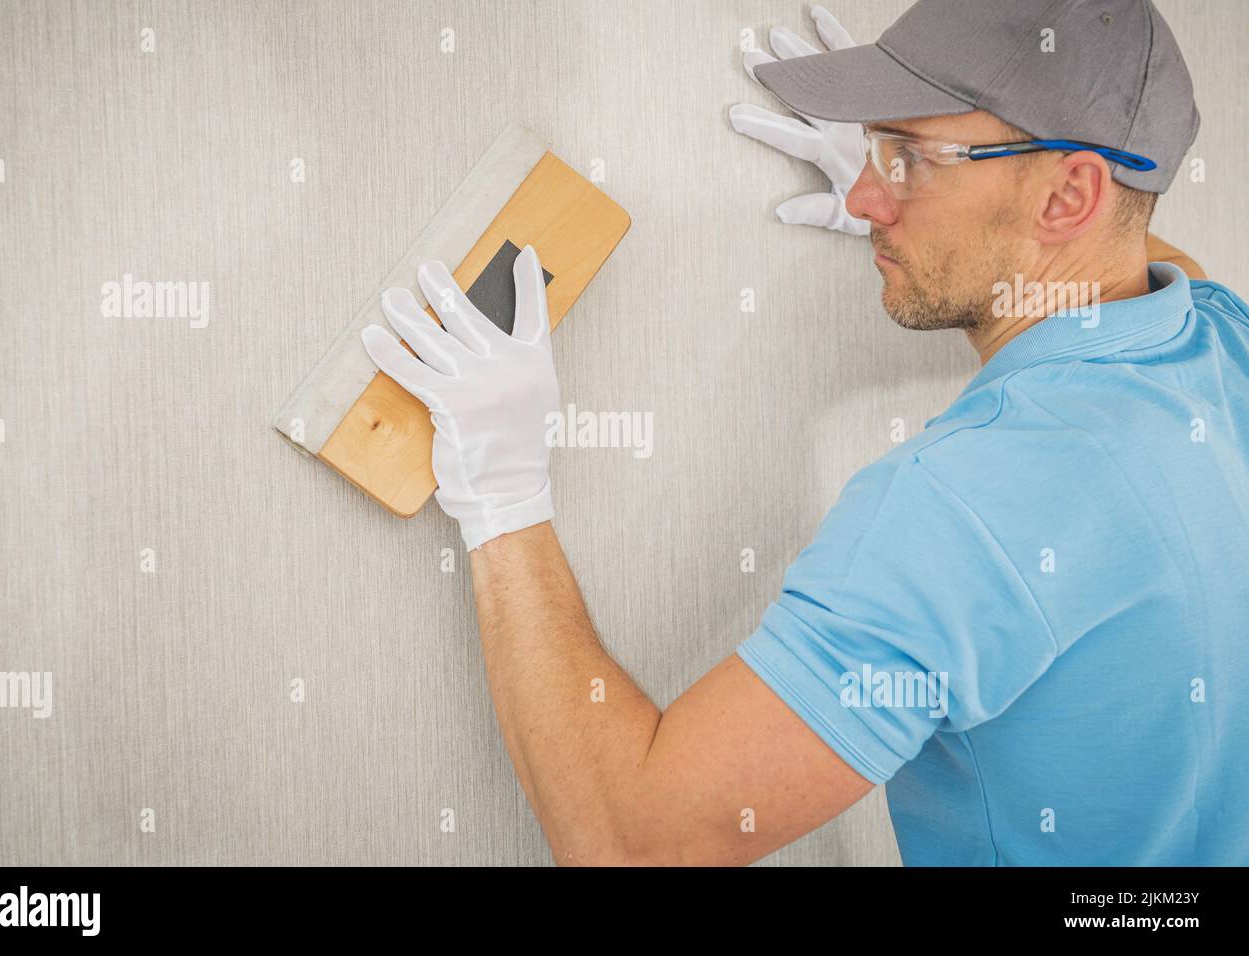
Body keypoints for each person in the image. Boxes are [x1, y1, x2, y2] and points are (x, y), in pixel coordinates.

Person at [359, 0, 1249, 866]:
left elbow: (630, 842)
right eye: (872, 150)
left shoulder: (958, 506)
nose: (864, 197)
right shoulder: (1217, 342)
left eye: (903, 158)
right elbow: (1151, 256)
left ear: (1070, 195)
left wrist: (502, 494)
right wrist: (951, 196)